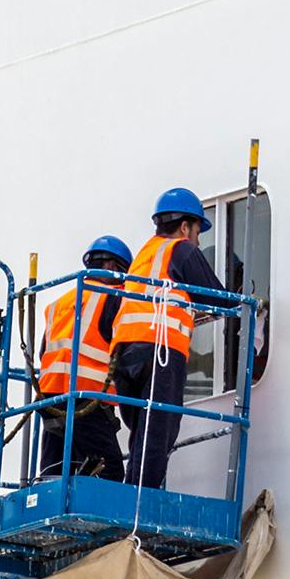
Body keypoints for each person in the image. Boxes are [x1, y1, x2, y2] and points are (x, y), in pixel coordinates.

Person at [107, 188, 230, 490]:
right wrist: (247, 303)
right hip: (159, 349)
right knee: (158, 430)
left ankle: (130, 496)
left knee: (142, 432)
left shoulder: (144, 255)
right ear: (185, 226)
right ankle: (141, 502)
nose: (198, 240)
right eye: (198, 231)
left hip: (126, 355)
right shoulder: (181, 249)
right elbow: (218, 297)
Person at [35, 236, 131, 479]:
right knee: (109, 473)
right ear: (112, 267)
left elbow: (42, 353)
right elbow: (127, 350)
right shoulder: (113, 297)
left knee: (53, 474)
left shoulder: (59, 304)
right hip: (86, 399)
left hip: (50, 401)